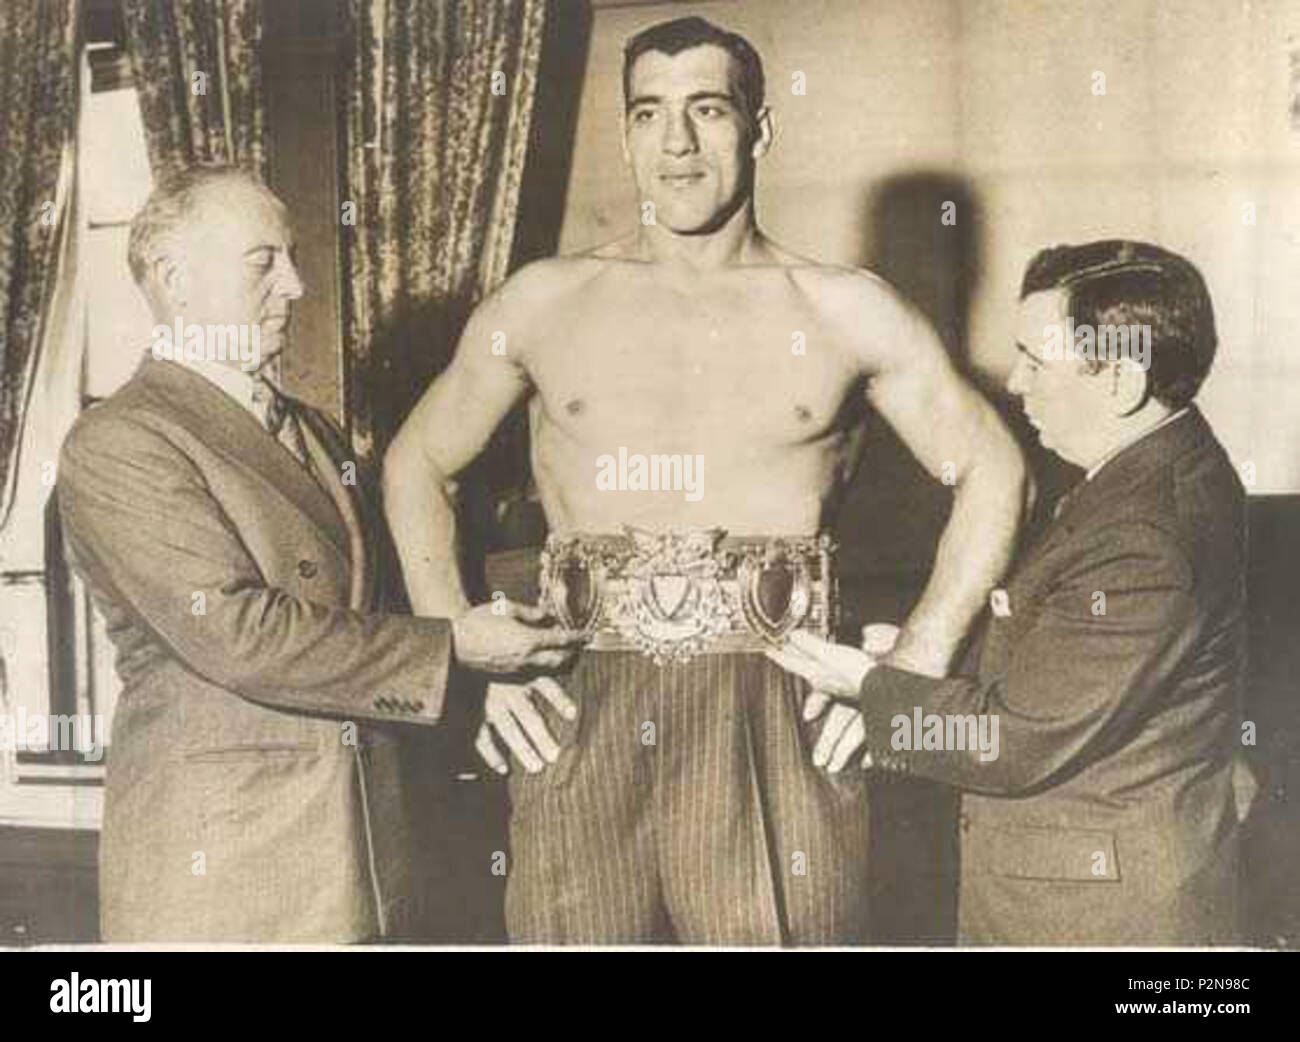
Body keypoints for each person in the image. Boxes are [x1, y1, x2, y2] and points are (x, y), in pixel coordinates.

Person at [384, 16, 1026, 944]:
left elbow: (994, 466)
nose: (676, 143)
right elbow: (416, 463)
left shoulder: (845, 308)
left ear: (757, 130)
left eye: (707, 110)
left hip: (775, 707)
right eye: (649, 114)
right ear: (628, 132)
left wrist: (916, 667)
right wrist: (469, 661)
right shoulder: (541, 302)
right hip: (578, 698)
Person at [57, 164, 581, 942]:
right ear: (175, 280)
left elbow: (376, 611)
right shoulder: (121, 442)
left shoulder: (315, 433)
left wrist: (477, 676)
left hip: (359, 864)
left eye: (291, 257)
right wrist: (454, 651)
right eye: (263, 261)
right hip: (228, 877)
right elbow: (240, 634)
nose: (296, 285)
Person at [769, 240, 1246, 944]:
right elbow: (1075, 661)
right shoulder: (1156, 472)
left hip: (1096, 923)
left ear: (1119, 381)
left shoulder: (1147, 535)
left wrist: (873, 689)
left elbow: (1012, 740)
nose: (1016, 383)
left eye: (1035, 360)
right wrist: (943, 661)